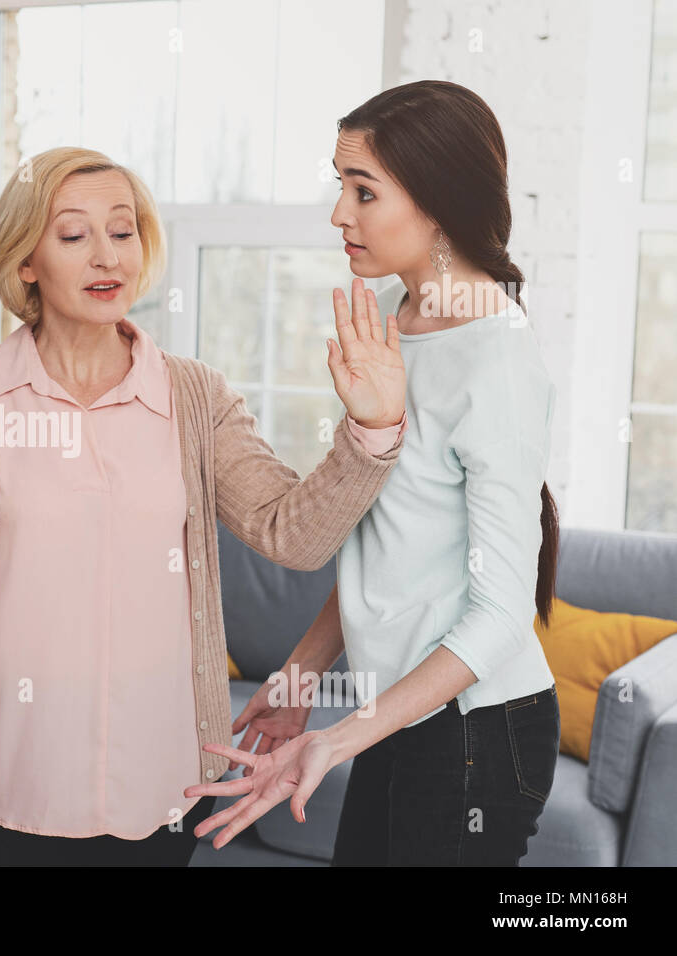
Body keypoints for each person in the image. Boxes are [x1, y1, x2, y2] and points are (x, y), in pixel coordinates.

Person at [0, 145, 409, 866]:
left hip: (162, 788)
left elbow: (293, 536)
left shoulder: (195, 397)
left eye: (123, 230)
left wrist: (370, 433)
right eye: (74, 235)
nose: (108, 256)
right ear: (27, 261)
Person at [190, 81, 561, 866]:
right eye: (341, 186)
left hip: (478, 729)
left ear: (437, 201)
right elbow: (385, 548)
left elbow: (500, 618)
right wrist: (299, 680)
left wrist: (341, 737)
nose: (339, 215)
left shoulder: (497, 360)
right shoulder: (396, 316)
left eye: (364, 191)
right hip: (400, 714)